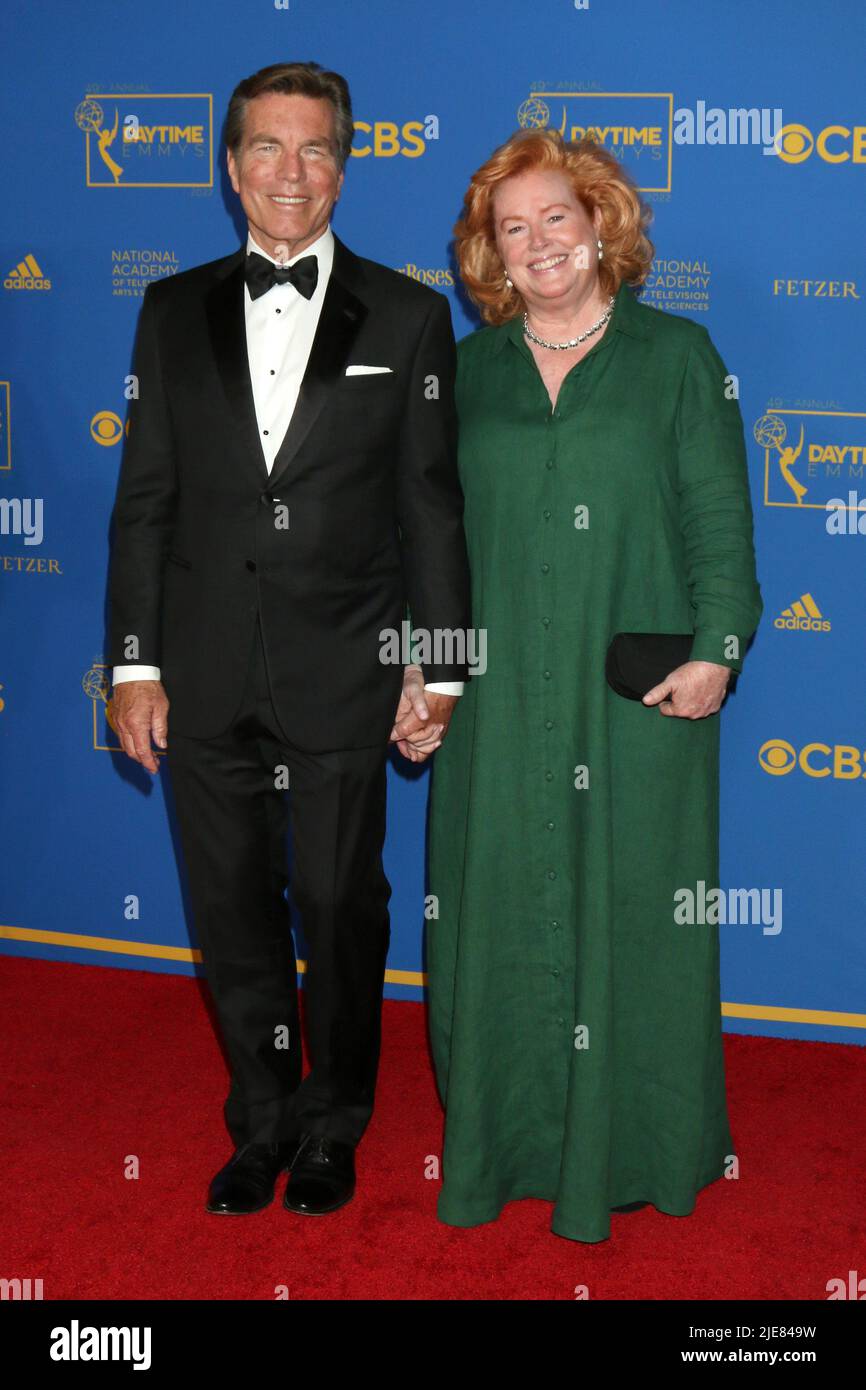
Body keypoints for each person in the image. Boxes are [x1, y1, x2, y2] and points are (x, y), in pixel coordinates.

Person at [108, 61, 470, 1218]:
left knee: (336, 903)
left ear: (345, 164)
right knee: (228, 911)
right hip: (202, 674)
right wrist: (133, 661)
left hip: (344, 670)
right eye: (267, 147)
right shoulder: (170, 310)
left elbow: (430, 508)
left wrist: (444, 660)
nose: (290, 173)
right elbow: (146, 497)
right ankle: (259, 1121)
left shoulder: (409, 315)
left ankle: (332, 1123)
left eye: (315, 149)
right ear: (230, 166)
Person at [426, 128, 763, 1244]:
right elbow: (419, 544)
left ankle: (643, 1147)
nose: (536, 244)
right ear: (488, 252)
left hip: (635, 701)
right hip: (497, 701)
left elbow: (717, 516)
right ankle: (502, 1147)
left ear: (601, 223)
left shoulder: (677, 355)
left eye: (554, 218)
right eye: (509, 228)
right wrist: (421, 677)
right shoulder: (463, 374)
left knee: (634, 914)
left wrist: (717, 646)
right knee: (496, 913)